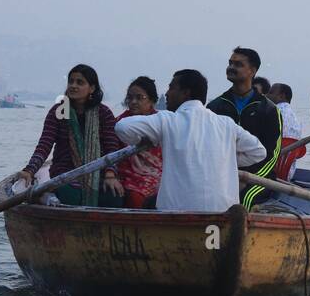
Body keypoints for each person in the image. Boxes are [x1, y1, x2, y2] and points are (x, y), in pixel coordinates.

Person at [115, 69, 266, 212]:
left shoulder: (168, 121)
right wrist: (221, 159)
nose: (166, 93)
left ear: (185, 93)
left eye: (171, 87)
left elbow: (122, 128)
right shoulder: (226, 124)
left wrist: (148, 138)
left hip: (177, 214)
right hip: (224, 214)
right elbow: (258, 152)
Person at [19, 64, 124, 207]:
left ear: (92, 88)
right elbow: (45, 145)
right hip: (65, 175)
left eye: (80, 82)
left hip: (97, 176)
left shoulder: (103, 113)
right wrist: (30, 170)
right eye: (71, 81)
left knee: (115, 197)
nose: (73, 86)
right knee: (71, 197)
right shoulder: (59, 111)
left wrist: (110, 174)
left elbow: (112, 148)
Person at [206, 47, 282, 209]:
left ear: (252, 71)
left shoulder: (269, 109)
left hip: (260, 178)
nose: (231, 67)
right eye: (230, 63)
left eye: (238, 64)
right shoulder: (215, 107)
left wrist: (249, 178)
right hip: (221, 175)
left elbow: (272, 154)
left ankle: (239, 233)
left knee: (244, 198)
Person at [114, 76, 164, 209]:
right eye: (130, 98)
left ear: (152, 101)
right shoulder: (119, 123)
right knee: (136, 199)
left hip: (160, 178)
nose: (133, 102)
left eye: (139, 97)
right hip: (129, 178)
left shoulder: (161, 123)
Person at [267, 82, 304, 181]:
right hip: (288, 173)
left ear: (281, 96)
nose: (266, 95)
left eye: (270, 92)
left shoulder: (272, 112)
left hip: (269, 171)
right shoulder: (297, 119)